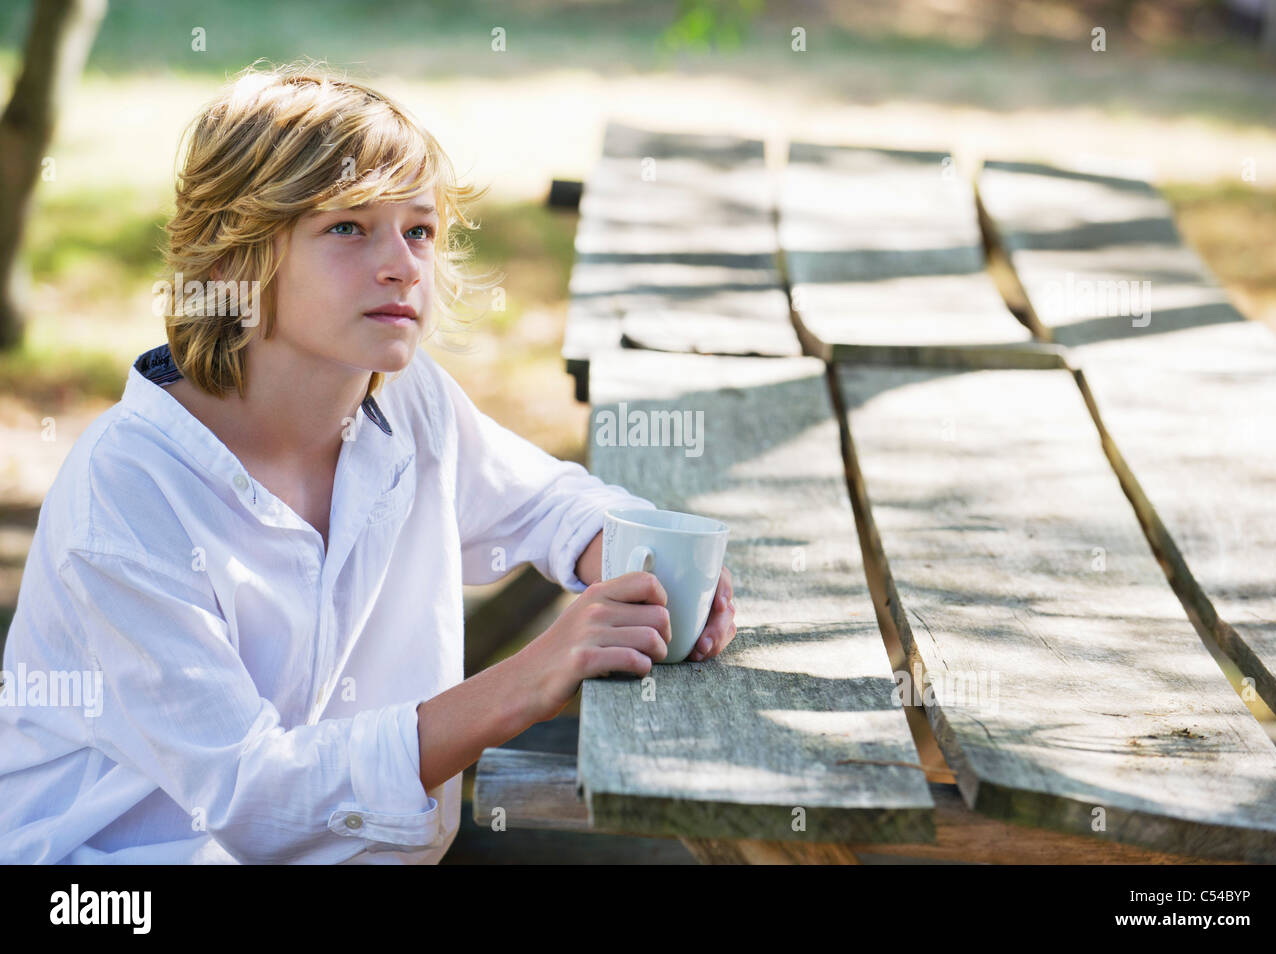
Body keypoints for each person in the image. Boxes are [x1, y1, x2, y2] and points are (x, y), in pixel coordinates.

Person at [0, 60, 736, 864]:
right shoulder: (127, 491)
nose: (402, 265)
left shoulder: (407, 401)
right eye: (348, 227)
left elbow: (546, 504)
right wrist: (528, 680)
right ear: (231, 260)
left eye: (418, 229)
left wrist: (638, 563)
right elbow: (253, 796)